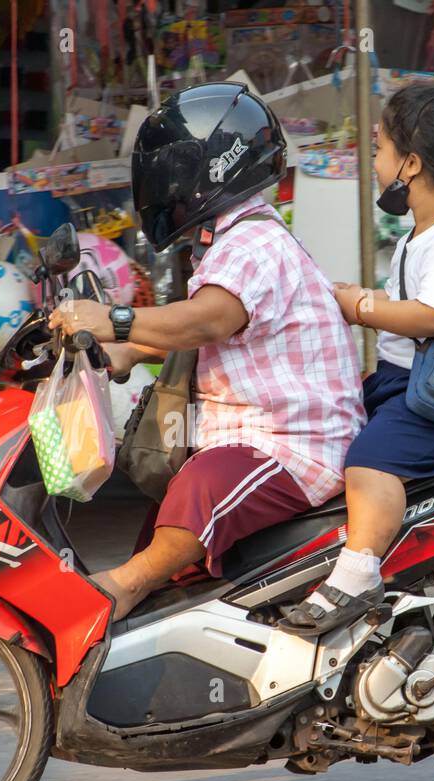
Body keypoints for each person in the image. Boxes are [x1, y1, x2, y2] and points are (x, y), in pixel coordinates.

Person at [48, 82, 365, 622]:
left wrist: (116, 320)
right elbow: (208, 334)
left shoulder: (253, 244)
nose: (164, 188)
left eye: (174, 173)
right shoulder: (233, 240)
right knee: (168, 502)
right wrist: (122, 350)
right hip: (253, 431)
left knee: (202, 485)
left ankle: (125, 586)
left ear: (211, 171)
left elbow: (207, 320)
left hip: (292, 444)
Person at [279, 84, 434, 636]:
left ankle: (358, 573)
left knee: (367, 463)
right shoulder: (424, 234)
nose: (374, 161)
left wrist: (363, 307)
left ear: (410, 164)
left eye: (379, 148)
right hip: (406, 385)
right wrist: (360, 295)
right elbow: (414, 304)